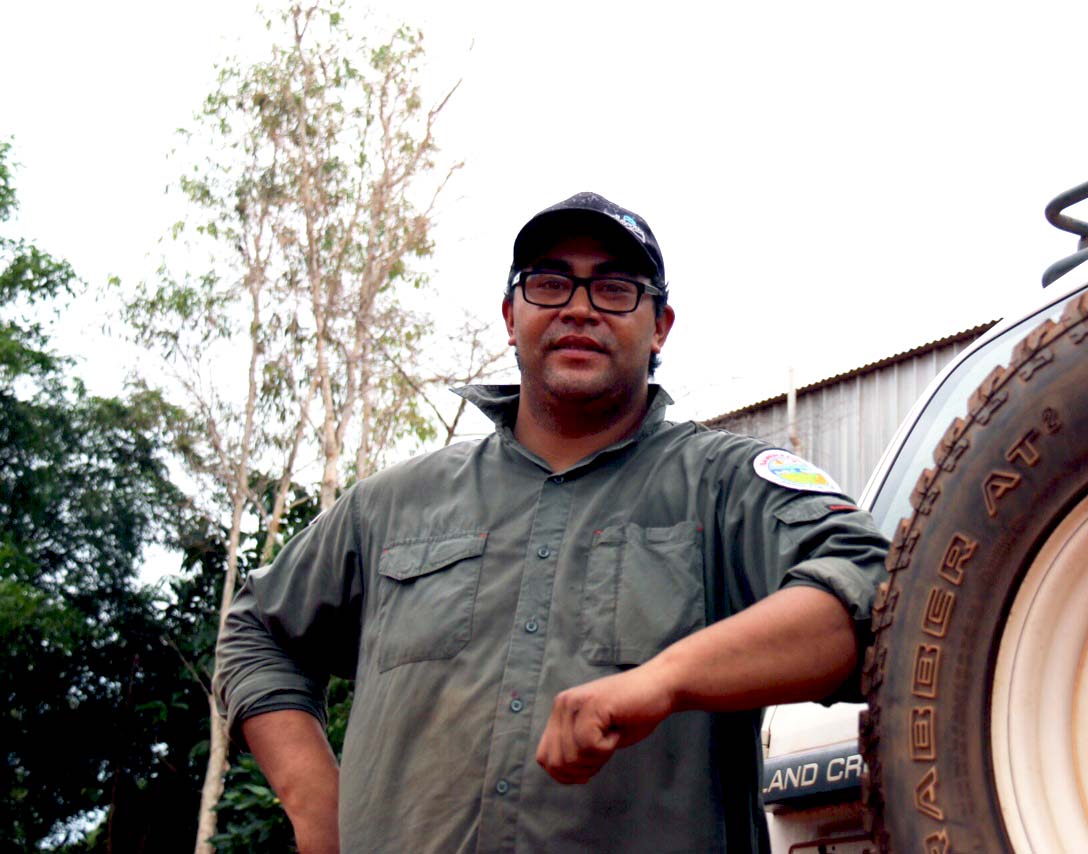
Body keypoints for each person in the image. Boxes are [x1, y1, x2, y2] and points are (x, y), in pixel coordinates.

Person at [215, 191, 889, 853]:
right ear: (511, 316)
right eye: (550, 283)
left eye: (616, 289)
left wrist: (663, 680)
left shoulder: (728, 488)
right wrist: (314, 804)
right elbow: (255, 630)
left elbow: (878, 594)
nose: (578, 307)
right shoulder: (391, 505)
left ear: (660, 327)